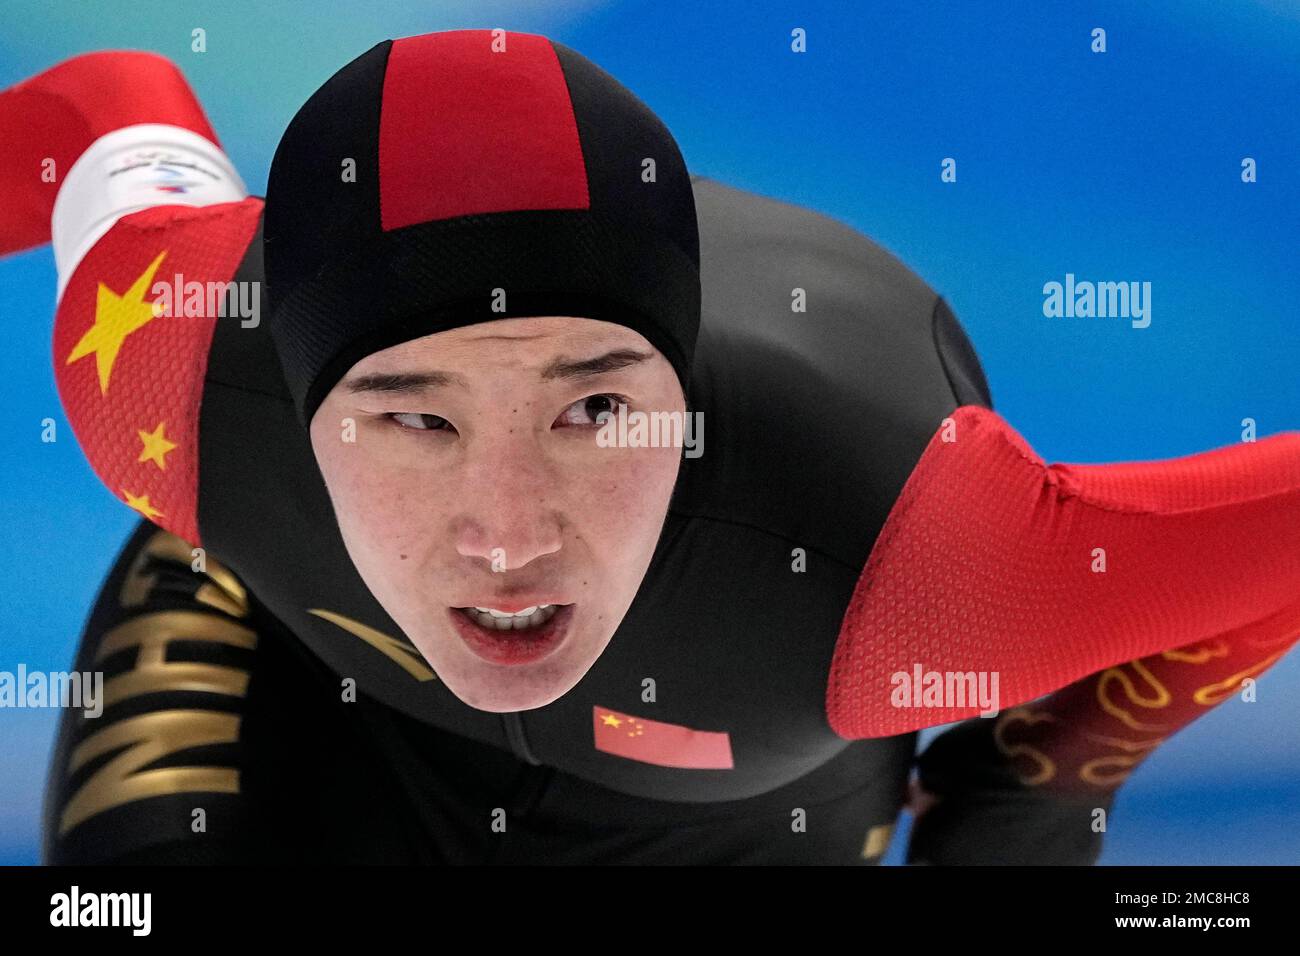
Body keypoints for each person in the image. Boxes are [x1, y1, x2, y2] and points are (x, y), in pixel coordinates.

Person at [3, 31, 1297, 865]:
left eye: (595, 412)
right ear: (287, 397)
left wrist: (1056, 765)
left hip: (733, 808)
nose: (507, 535)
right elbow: (97, 104)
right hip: (287, 661)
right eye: (413, 417)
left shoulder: (908, 582)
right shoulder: (160, 368)